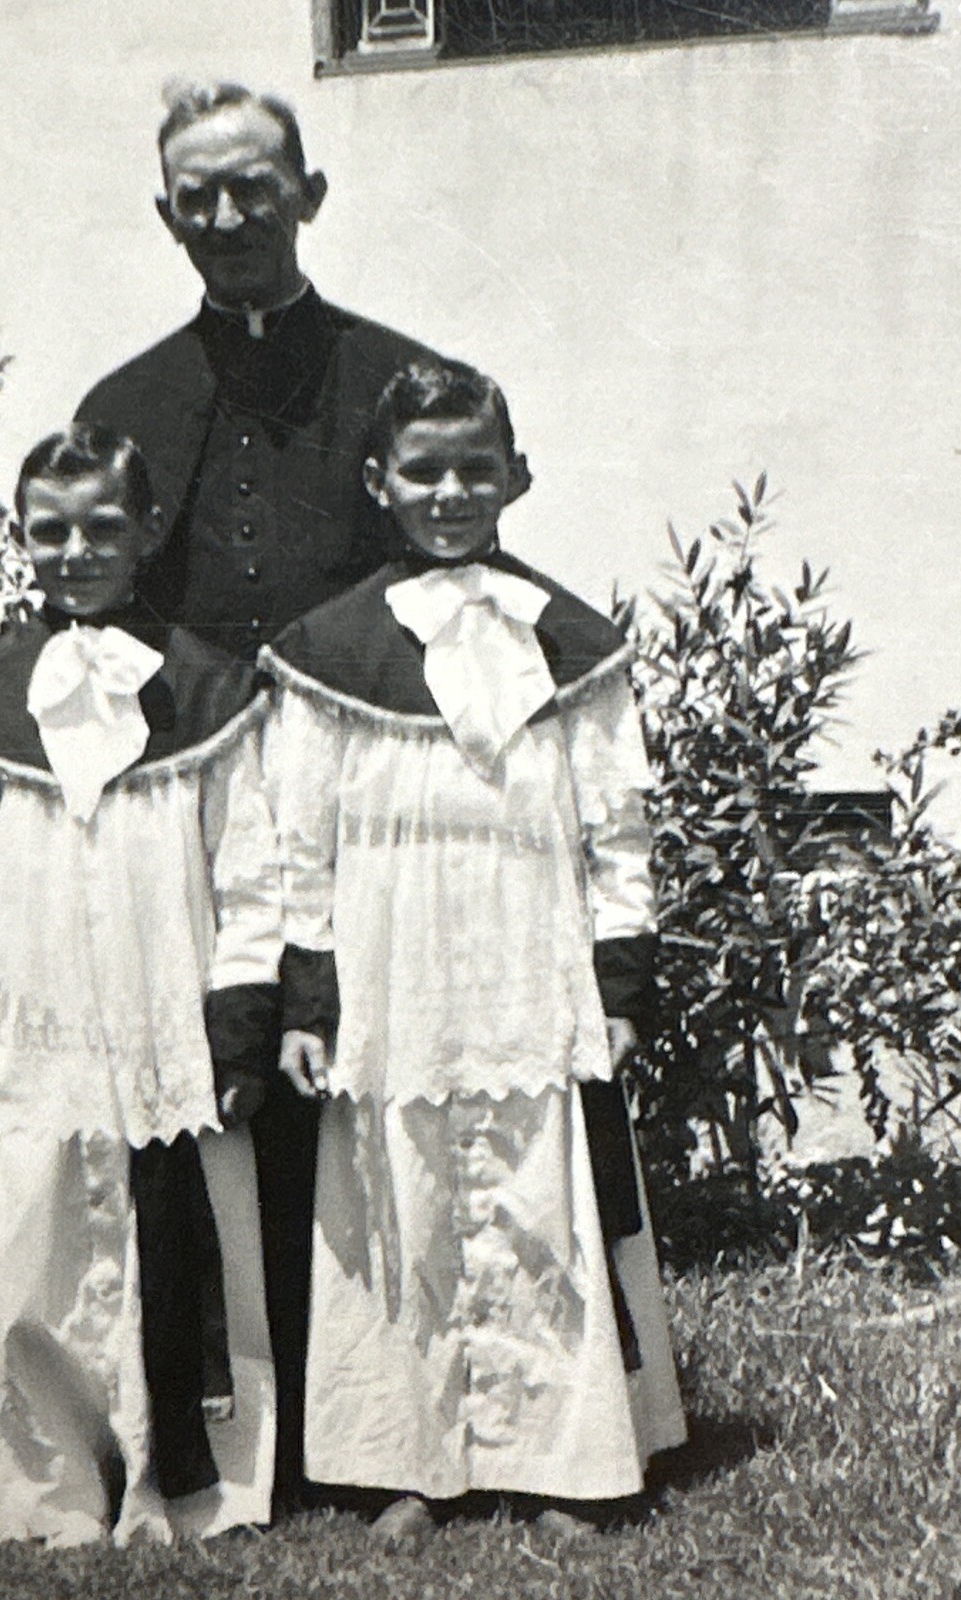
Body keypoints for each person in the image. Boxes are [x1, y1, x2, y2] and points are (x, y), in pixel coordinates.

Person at [76, 81, 530, 1510]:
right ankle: (208, 1412)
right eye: (197, 197)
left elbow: (461, 591)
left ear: (309, 196)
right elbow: (94, 625)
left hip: (370, 794)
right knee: (200, 1081)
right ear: (166, 217)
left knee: (358, 1081)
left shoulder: (394, 381)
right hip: (195, 796)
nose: (227, 217)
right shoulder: (126, 405)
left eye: (254, 188)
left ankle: (387, 1414)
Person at [260, 360, 686, 1535]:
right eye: (423, 470)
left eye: (474, 468)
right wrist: (307, 1000)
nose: (449, 492)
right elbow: (296, 845)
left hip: (526, 966)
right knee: (398, 1201)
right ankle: (408, 1458)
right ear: (378, 482)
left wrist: (619, 984)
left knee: (538, 1200)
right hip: (392, 974)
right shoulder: (329, 652)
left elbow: (616, 829)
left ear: (516, 477)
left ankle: (561, 1460)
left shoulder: (574, 645)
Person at [0, 425, 282, 1545]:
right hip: (40, 1028)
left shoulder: (211, 696)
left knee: (183, 1243)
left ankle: (187, 1483)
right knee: (31, 1255)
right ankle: (49, 1485)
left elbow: (250, 880)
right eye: (50, 531)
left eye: (102, 528)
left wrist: (237, 1028)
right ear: (20, 538)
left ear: (148, 530)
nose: (76, 552)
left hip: (167, 1027)